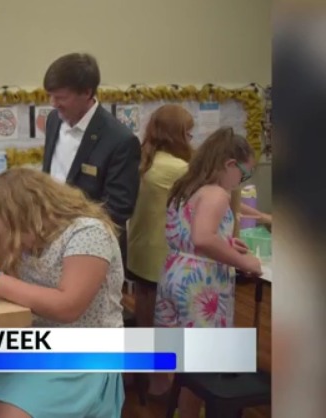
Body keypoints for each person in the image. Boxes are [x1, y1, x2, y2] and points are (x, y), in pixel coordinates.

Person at [0, 168, 125, 418]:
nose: (4, 239)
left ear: (28, 215)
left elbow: (67, 306)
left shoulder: (88, 233)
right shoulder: (28, 233)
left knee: (10, 414)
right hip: (35, 342)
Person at [155, 127, 263, 418]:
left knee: (183, 358)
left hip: (175, 272)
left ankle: (182, 410)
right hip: (201, 283)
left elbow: (192, 235)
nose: (240, 182)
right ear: (230, 164)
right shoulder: (217, 193)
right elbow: (203, 238)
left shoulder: (188, 187)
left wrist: (226, 244)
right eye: (243, 175)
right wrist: (245, 262)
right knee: (202, 364)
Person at [41, 53, 140, 264]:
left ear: (87, 92)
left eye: (61, 97)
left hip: (91, 251)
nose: (53, 104)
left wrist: (70, 229)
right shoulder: (53, 121)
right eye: (50, 96)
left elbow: (118, 208)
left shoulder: (120, 140)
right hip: (50, 241)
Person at [127, 104, 194, 395]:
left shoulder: (145, 160)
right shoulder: (178, 168)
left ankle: (143, 371)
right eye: (188, 133)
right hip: (162, 254)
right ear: (178, 133)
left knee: (144, 309)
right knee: (165, 319)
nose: (191, 138)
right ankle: (160, 379)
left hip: (140, 250)